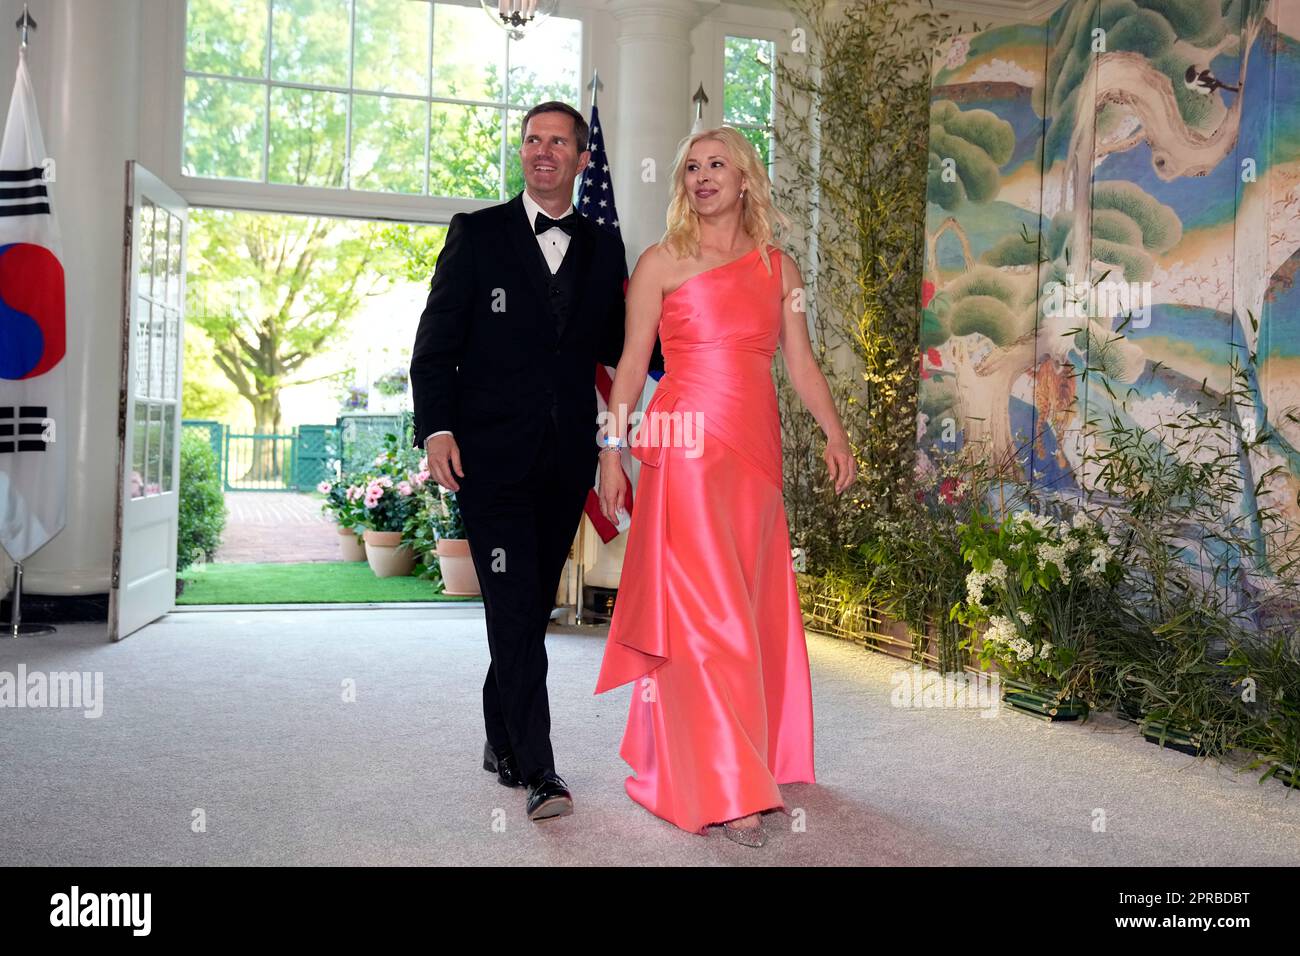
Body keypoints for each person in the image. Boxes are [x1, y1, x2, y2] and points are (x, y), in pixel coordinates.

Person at [593, 126, 856, 847]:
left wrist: (835, 432)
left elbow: (799, 365)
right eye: (693, 167)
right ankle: (730, 786)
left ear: (746, 181)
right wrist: (610, 453)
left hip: (754, 454)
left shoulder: (782, 271)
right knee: (711, 618)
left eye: (719, 165)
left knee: (748, 604)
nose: (704, 176)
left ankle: (737, 755)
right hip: (683, 452)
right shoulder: (659, 263)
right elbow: (628, 365)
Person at [410, 101, 627, 822]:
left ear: (581, 158)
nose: (542, 151)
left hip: (566, 459)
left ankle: (499, 734)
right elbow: (436, 341)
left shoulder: (603, 246)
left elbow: (629, 345)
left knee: (525, 610)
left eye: (558, 141)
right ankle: (539, 768)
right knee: (510, 605)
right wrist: (437, 428)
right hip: (490, 459)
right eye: (533, 139)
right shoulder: (477, 234)